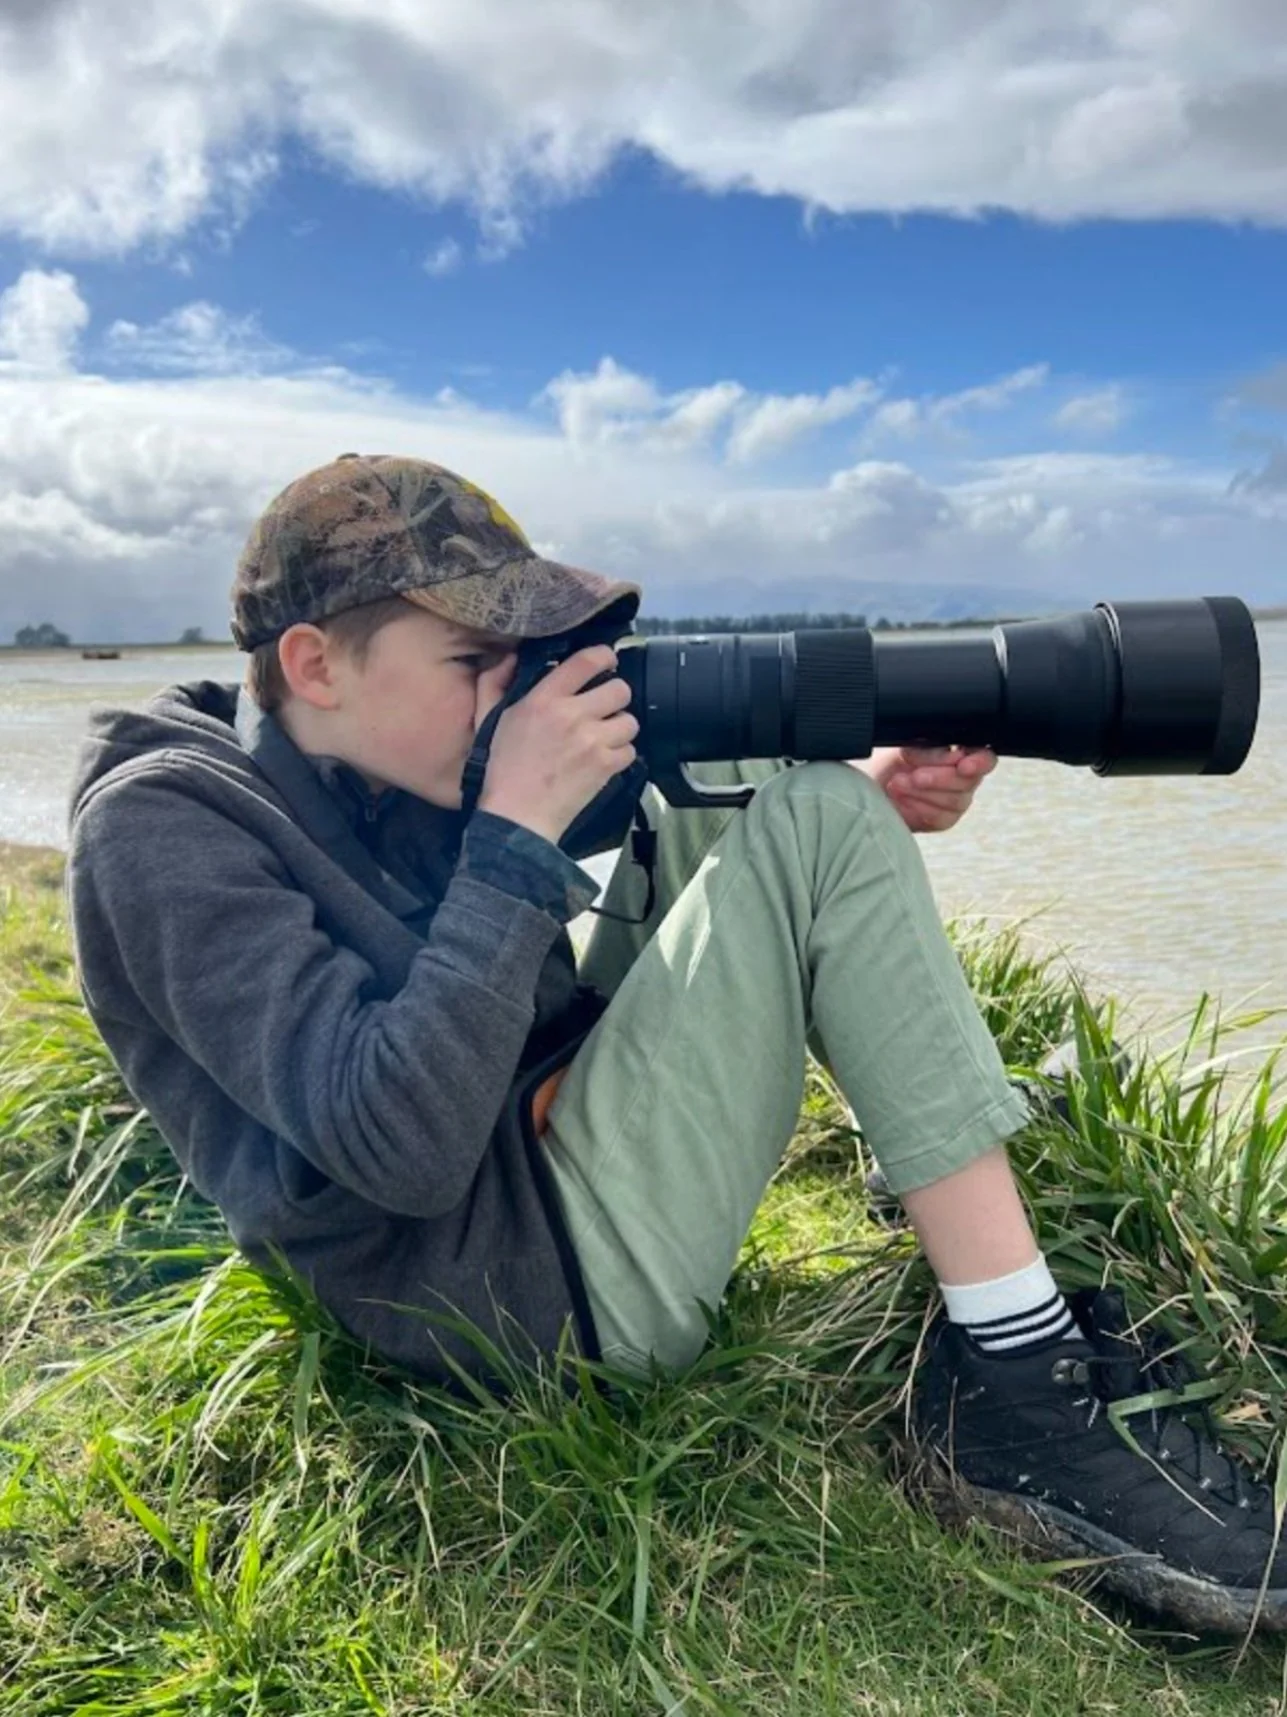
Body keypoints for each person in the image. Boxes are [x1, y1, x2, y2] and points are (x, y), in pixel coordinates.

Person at [66, 452, 1286, 1634]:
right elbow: (400, 1152)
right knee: (814, 827)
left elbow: (671, 811)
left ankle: (934, 1142)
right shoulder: (163, 834)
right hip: (508, 1297)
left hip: (536, 1128)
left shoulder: (385, 757)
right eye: (477, 660)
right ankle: (1025, 1388)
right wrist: (517, 834)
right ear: (314, 664)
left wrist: (873, 781)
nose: (514, 696)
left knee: (781, 775)